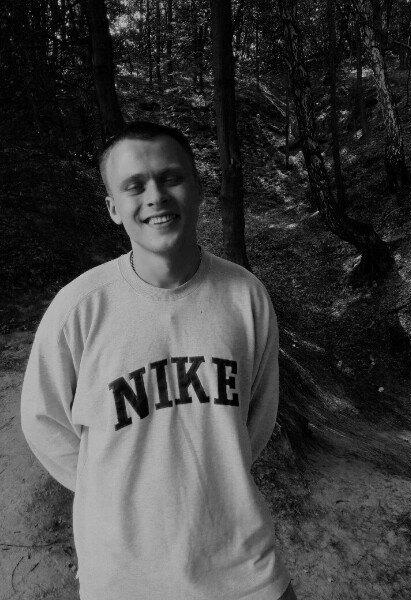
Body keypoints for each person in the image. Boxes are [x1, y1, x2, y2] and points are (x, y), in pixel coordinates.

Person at [21, 121, 297, 600]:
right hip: (123, 574)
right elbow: (43, 422)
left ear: (198, 190)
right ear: (113, 208)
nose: (155, 196)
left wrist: (215, 473)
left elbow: (258, 415)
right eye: (134, 186)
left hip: (242, 564)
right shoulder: (79, 308)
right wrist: (110, 491)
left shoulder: (245, 295)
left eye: (171, 178)